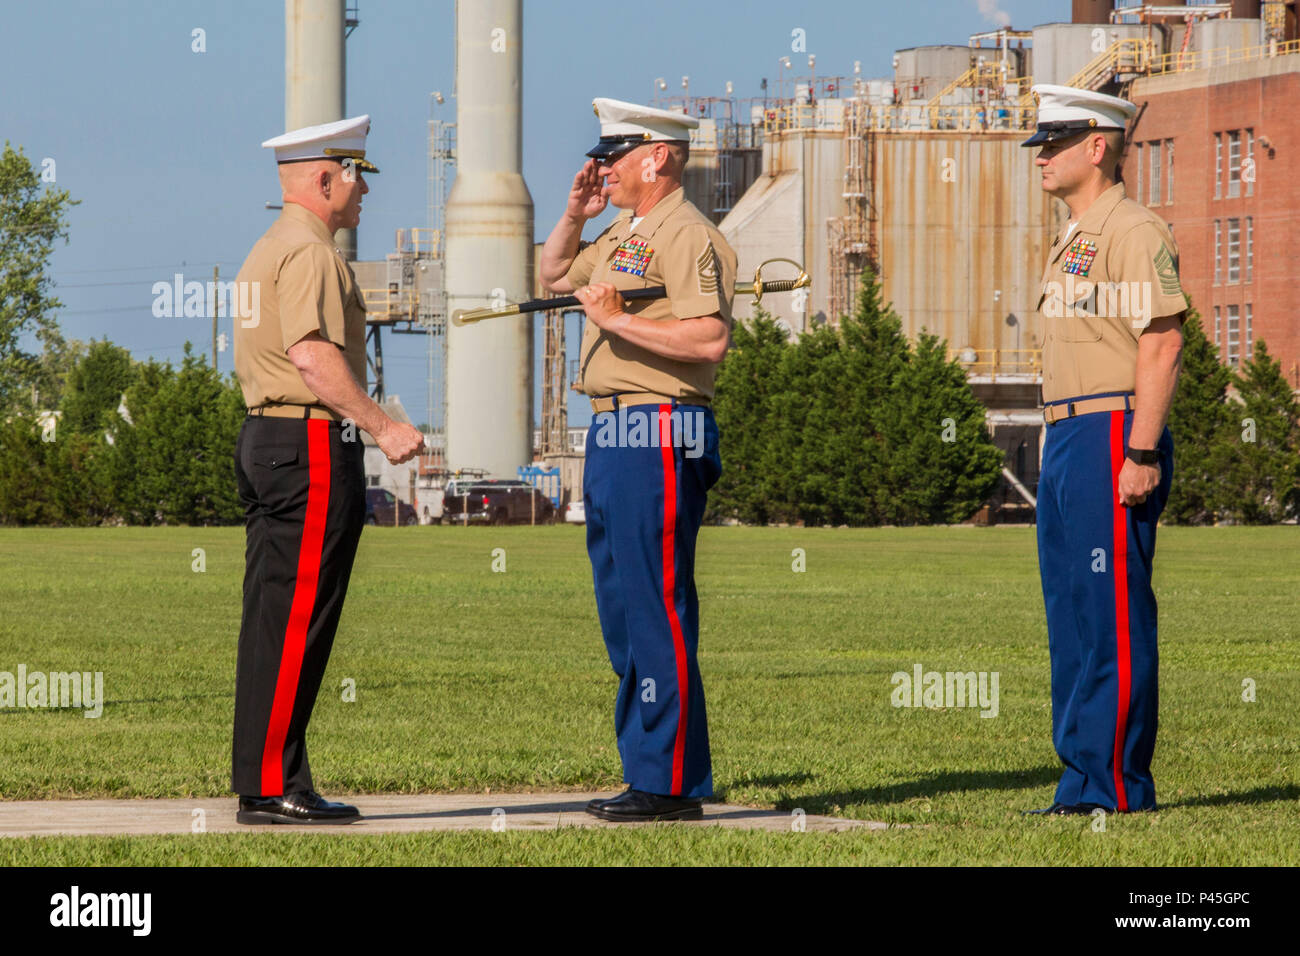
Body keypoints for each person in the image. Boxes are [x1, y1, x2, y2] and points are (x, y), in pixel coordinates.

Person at [538, 98, 737, 822]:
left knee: (655, 603)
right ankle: (650, 767)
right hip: (615, 429)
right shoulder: (625, 231)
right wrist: (574, 215)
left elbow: (710, 339)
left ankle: (671, 780)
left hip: (660, 425)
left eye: (615, 156)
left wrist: (617, 321)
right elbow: (552, 275)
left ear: (655, 157)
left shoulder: (689, 236)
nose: (603, 169)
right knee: (623, 607)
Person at [231, 115, 425, 824]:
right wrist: (383, 425)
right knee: (298, 618)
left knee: (273, 617)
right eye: (357, 176)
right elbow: (312, 357)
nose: (364, 192)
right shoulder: (311, 255)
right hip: (307, 443)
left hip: (267, 438)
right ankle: (274, 785)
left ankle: (271, 775)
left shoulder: (265, 249)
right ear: (324, 178)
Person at [1022, 85, 1186, 815]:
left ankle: (1116, 784)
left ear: (1098, 146)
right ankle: (1082, 779)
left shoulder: (1133, 229)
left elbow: (1162, 339)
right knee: (1073, 610)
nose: (1042, 157)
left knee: (1111, 607)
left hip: (1112, 429)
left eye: (1055, 144)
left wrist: (1142, 450)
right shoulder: (1075, 236)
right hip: (1066, 431)